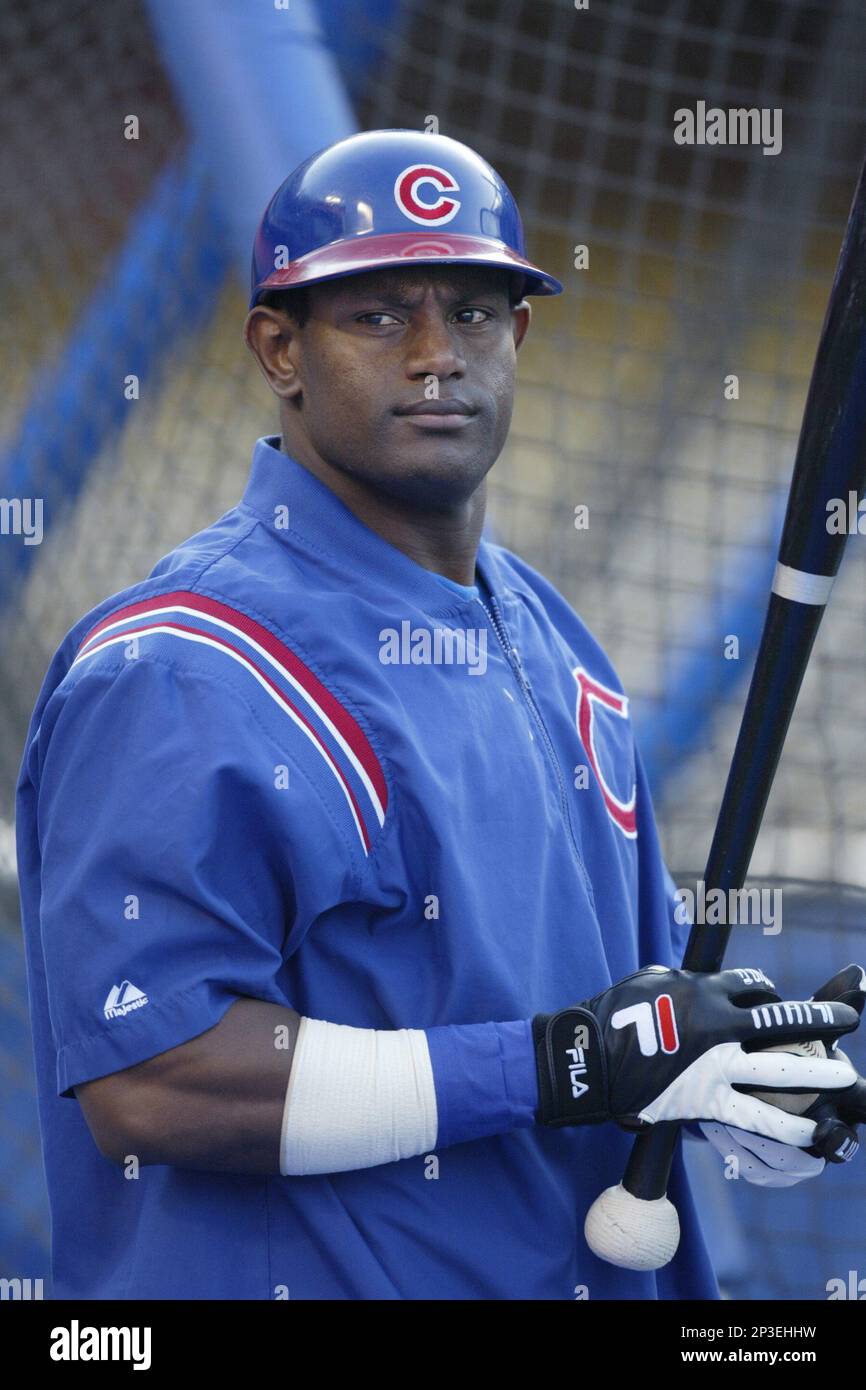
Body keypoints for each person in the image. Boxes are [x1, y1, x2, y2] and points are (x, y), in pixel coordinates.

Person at [15, 129, 864, 1301]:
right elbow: (155, 1081)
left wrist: (733, 1085)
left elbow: (624, 1027)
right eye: (376, 317)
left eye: (471, 311)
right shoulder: (181, 669)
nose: (433, 356)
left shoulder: (553, 638)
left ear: (515, 336)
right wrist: (559, 1064)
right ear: (279, 348)